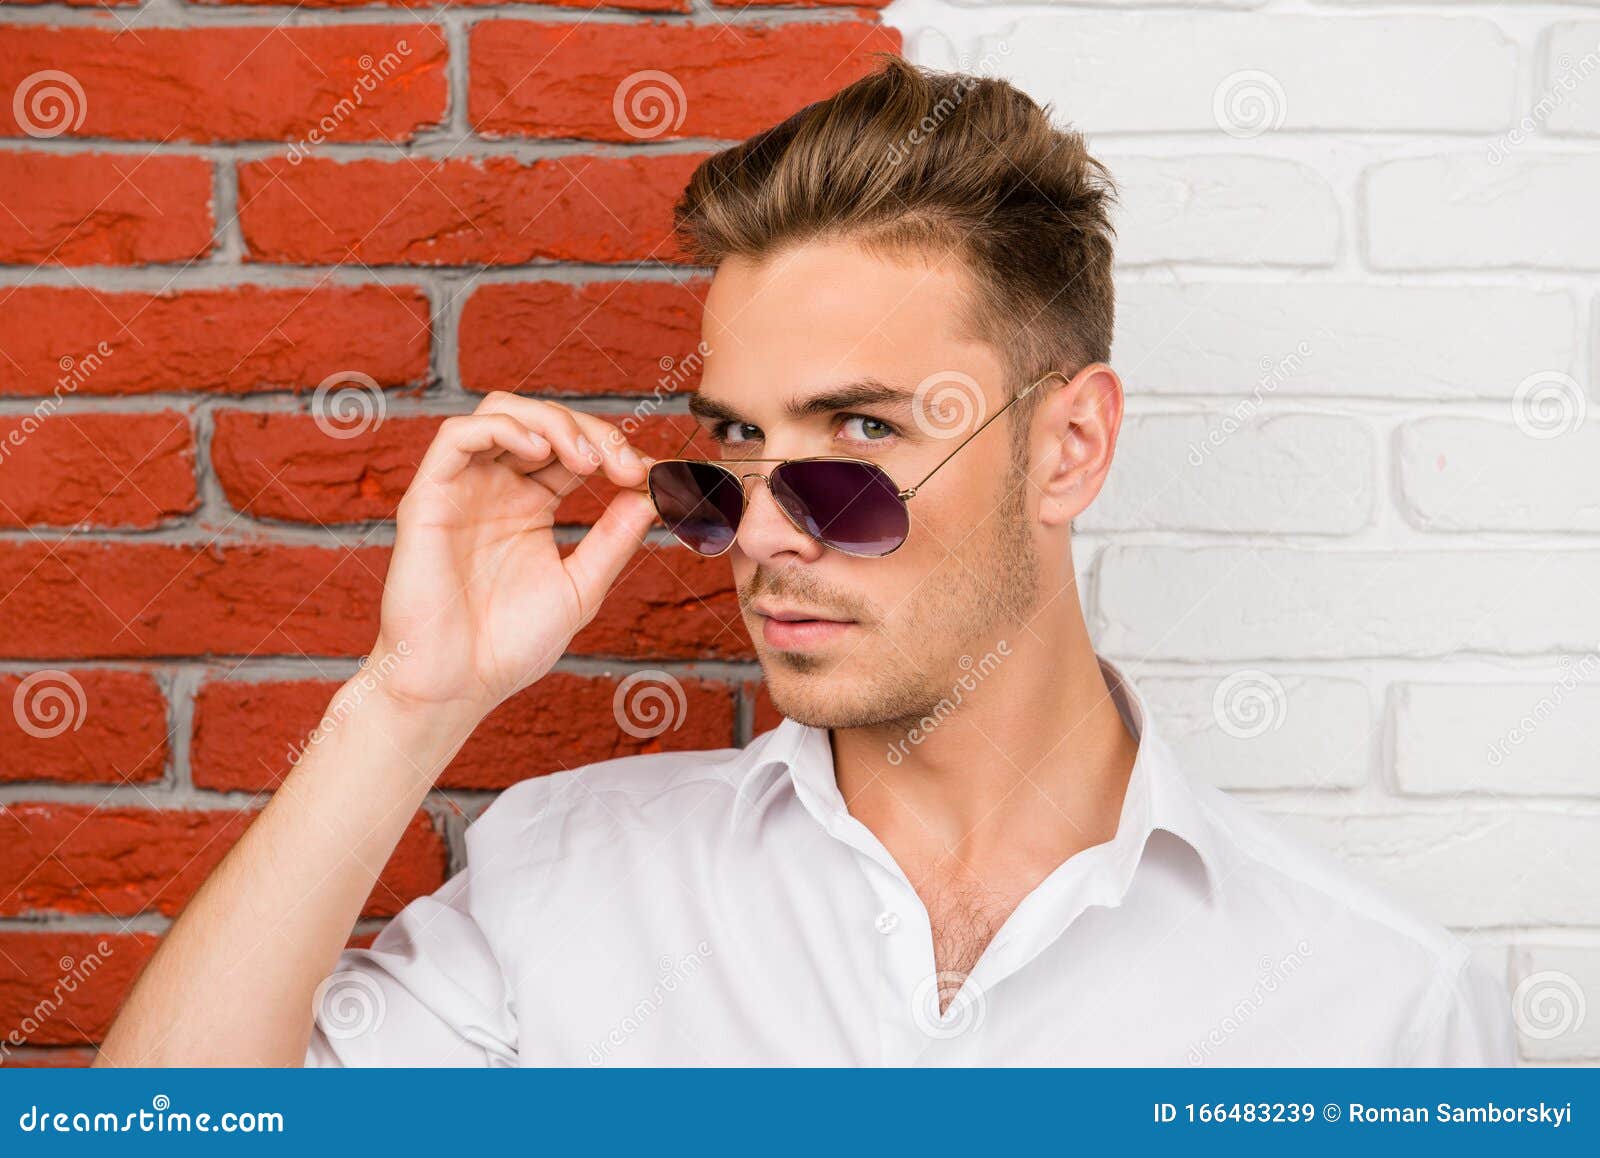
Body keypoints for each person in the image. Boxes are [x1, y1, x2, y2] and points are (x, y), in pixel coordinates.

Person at [98, 57, 1515, 1067]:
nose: (767, 534)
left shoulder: (1378, 1007)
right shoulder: (573, 885)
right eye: (728, 452)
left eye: (857, 438)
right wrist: (408, 703)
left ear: (1069, 448)